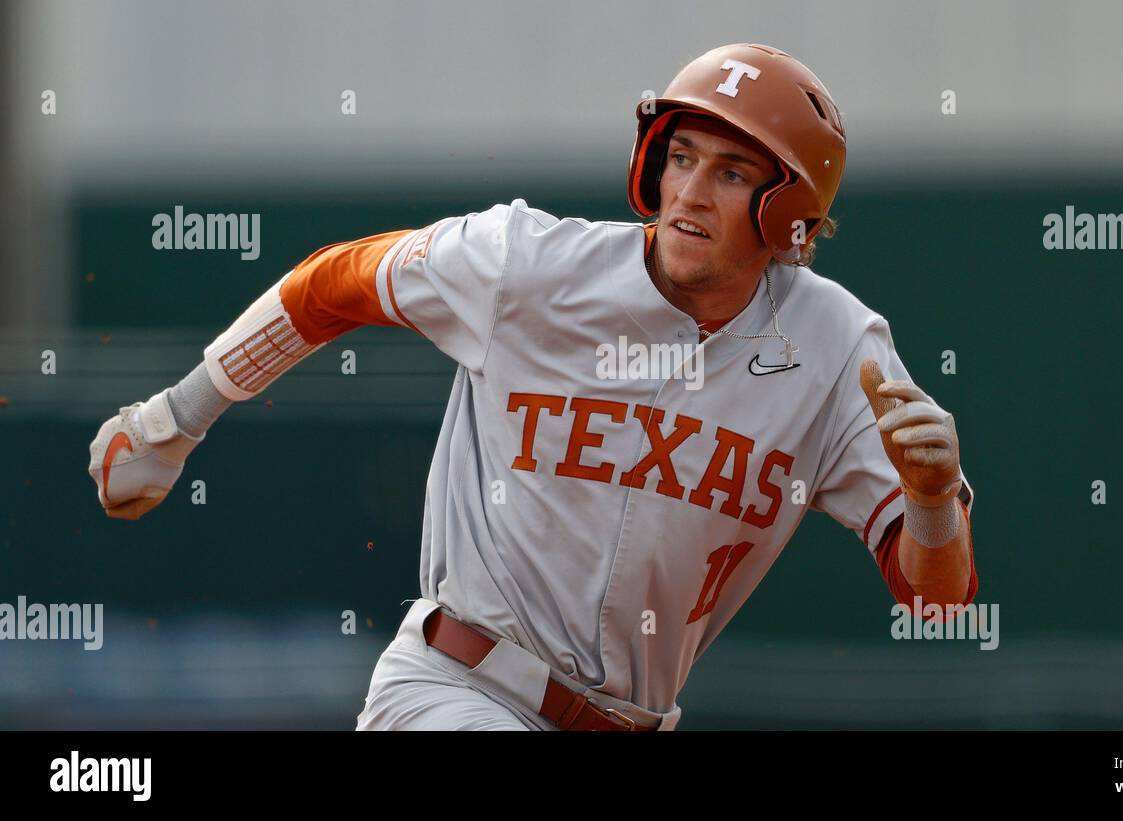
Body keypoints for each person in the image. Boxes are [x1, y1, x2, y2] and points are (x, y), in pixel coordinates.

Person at [88, 43, 977, 731]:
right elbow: (332, 284)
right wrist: (177, 416)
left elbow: (936, 599)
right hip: (455, 688)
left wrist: (934, 503)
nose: (690, 190)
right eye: (681, 156)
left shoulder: (835, 348)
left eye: (733, 173)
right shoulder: (524, 264)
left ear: (790, 216)